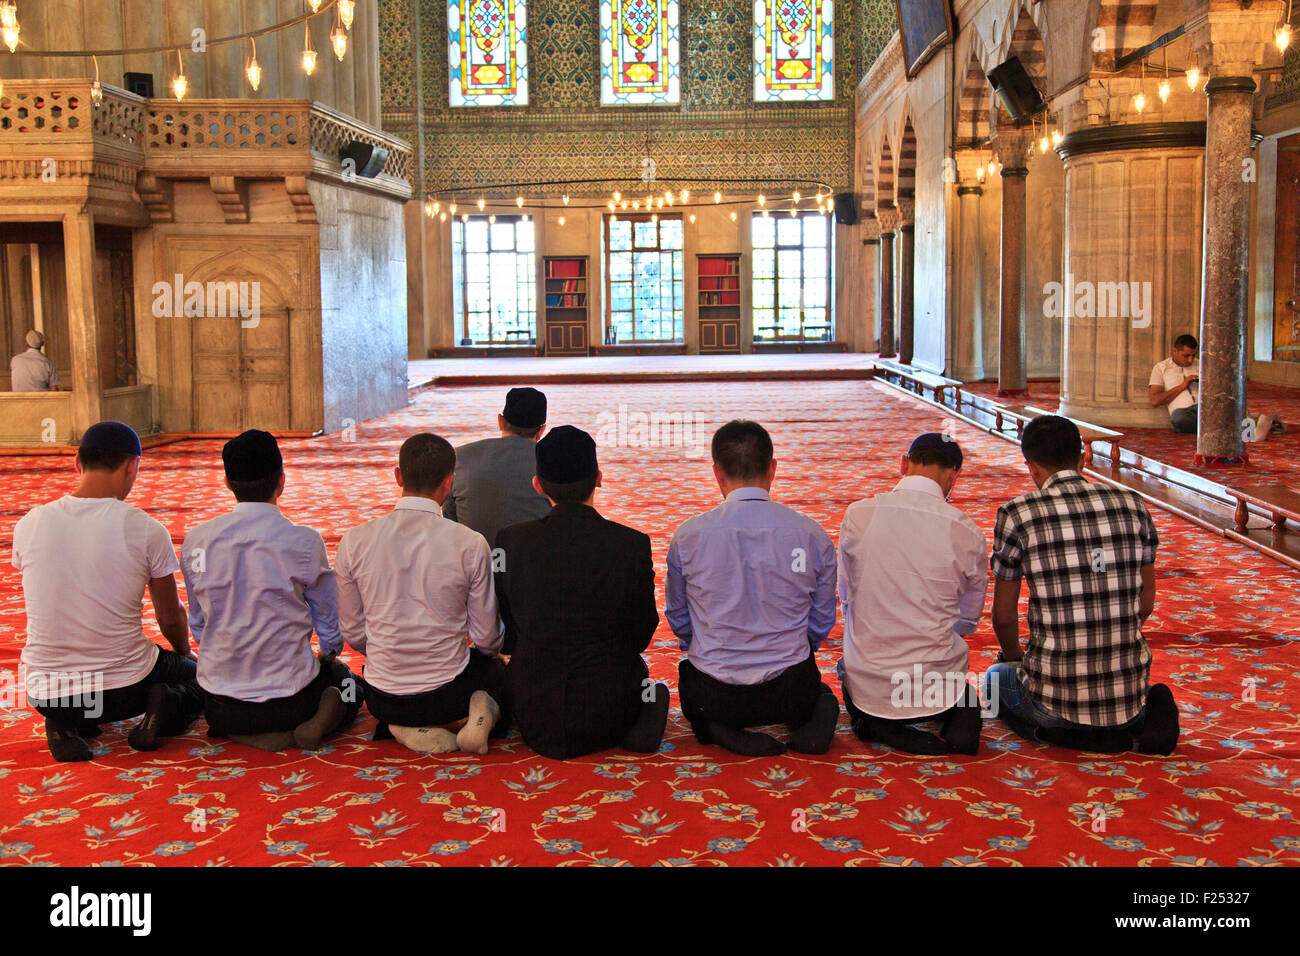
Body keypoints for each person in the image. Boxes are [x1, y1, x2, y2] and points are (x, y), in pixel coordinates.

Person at [983, 415, 1180, 755]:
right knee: (1131, 695)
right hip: (1128, 697)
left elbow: (1003, 616)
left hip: (1053, 701)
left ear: (1031, 467)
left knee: (994, 680)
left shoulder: (1019, 513)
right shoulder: (1134, 505)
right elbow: (1145, 602)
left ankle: (1062, 733)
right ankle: (1143, 716)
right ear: (1083, 457)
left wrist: (1014, 658)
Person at [11, 421, 201, 762]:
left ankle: (61, 722)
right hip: (124, 692)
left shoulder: (30, 523)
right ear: (131, 467)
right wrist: (183, 652)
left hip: (44, 693)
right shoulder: (144, 528)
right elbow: (169, 616)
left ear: (77, 463)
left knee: (67, 691)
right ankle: (164, 705)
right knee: (202, 678)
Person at [667, 419, 840, 757]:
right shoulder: (810, 534)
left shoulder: (689, 536)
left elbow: (679, 618)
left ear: (717, 473)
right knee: (822, 696)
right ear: (773, 468)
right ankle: (810, 730)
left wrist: (703, 646)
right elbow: (821, 620)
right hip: (790, 691)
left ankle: (717, 728)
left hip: (714, 694)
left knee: (692, 688)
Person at [181, 430, 361, 752]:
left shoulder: (197, 541)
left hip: (220, 704)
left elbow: (198, 627)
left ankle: (241, 732)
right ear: (282, 480)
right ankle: (315, 725)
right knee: (349, 684)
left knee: (217, 700)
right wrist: (327, 655)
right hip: (292, 702)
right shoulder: (304, 541)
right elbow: (331, 627)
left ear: (227, 483)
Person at [495, 425, 668, 760]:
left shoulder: (511, 542)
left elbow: (507, 631)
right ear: (599, 478)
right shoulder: (630, 544)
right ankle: (643, 719)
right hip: (611, 707)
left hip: (534, 708)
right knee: (649, 686)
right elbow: (642, 631)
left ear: (537, 485)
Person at [335, 433, 506, 755]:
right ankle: (481, 712)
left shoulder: (354, 541)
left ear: (398, 476)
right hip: (450, 694)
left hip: (383, 697)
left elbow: (353, 632)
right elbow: (485, 638)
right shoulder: (470, 543)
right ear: (450, 482)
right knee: (497, 672)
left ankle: (403, 727)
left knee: (361, 683)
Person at [838, 433, 987, 756]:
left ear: (904, 464)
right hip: (935, 683)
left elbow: (847, 599)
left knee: (845, 665)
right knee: (964, 697)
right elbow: (968, 620)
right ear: (953, 476)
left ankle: (877, 724)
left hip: (870, 681)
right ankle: (954, 727)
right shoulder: (966, 531)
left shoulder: (859, 514)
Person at [443, 387, 552, 547]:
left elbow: (451, 519)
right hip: (532, 564)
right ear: (541, 430)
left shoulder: (459, 456)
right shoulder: (551, 462)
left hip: (475, 563)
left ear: (500, 421)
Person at [1149, 334, 1199, 433]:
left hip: (1203, 409)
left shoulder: (1202, 364)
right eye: (1186, 356)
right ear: (1175, 351)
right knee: (1179, 419)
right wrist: (1183, 386)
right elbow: (1155, 401)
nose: (1190, 360)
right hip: (1183, 412)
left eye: (1193, 355)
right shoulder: (1161, 368)